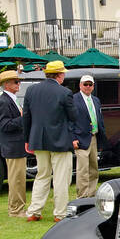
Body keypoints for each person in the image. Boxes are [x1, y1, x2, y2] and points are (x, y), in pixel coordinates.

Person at [23, 60, 79, 222]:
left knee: (42, 175)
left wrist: (27, 139)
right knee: (61, 178)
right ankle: (60, 213)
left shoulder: (32, 90)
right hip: (60, 140)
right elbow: (73, 116)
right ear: (60, 75)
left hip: (38, 139)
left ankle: (34, 211)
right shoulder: (65, 92)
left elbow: (26, 117)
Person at [0, 70, 28, 218]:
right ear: (6, 84)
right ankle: (15, 209)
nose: (18, 84)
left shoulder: (11, 99)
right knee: (16, 179)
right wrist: (22, 118)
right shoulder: (3, 101)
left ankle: (18, 207)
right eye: (15, 82)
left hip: (17, 145)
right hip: (12, 146)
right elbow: (5, 125)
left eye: (18, 81)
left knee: (20, 178)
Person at [72, 75, 107, 199]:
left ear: (93, 86)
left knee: (94, 168)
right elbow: (69, 120)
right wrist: (73, 138)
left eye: (90, 84)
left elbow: (100, 119)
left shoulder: (96, 100)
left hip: (94, 137)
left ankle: (91, 194)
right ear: (80, 85)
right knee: (82, 169)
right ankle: (82, 196)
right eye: (85, 84)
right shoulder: (73, 99)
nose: (87, 87)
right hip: (80, 138)